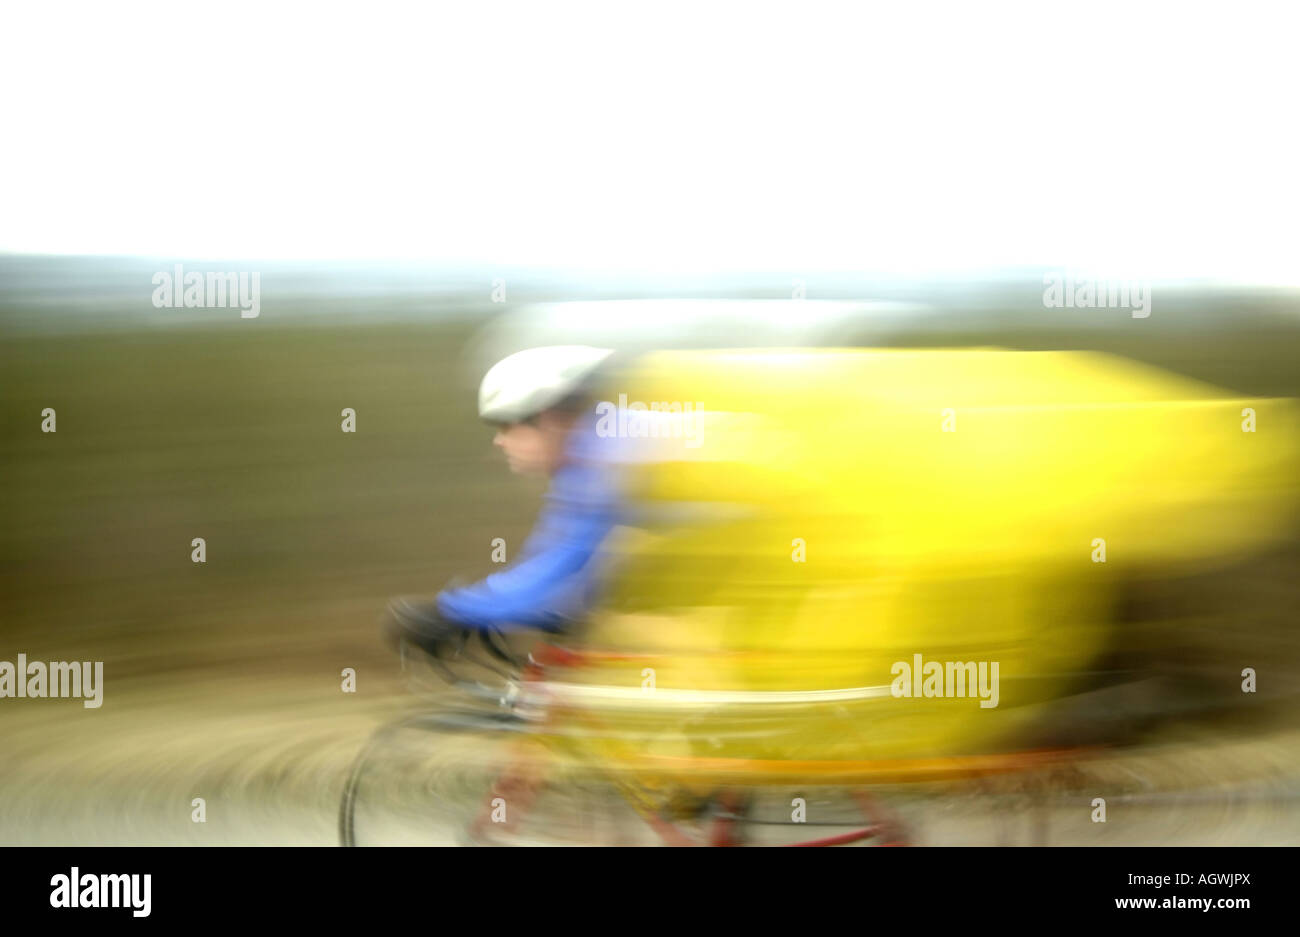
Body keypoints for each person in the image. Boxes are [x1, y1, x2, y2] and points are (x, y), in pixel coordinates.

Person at [386, 345, 618, 657]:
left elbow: (555, 570)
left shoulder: (609, 469)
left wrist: (451, 612)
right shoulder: (604, 458)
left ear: (550, 418)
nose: (499, 440)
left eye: (507, 426)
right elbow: (572, 578)